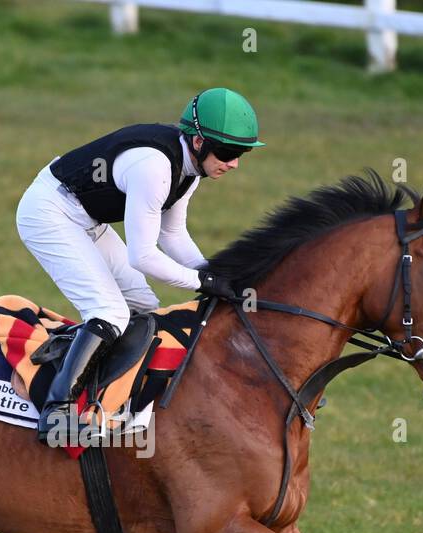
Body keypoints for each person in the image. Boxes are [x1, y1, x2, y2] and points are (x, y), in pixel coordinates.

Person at [15, 87, 265, 443]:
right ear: (197, 142)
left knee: (144, 309)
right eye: (227, 152)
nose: (234, 162)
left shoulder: (189, 169)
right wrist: (203, 283)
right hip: (48, 213)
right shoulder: (155, 167)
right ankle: (57, 413)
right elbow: (142, 256)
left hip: (84, 217)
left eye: (241, 154)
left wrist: (215, 272)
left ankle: (112, 398)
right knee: (110, 312)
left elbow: (173, 234)